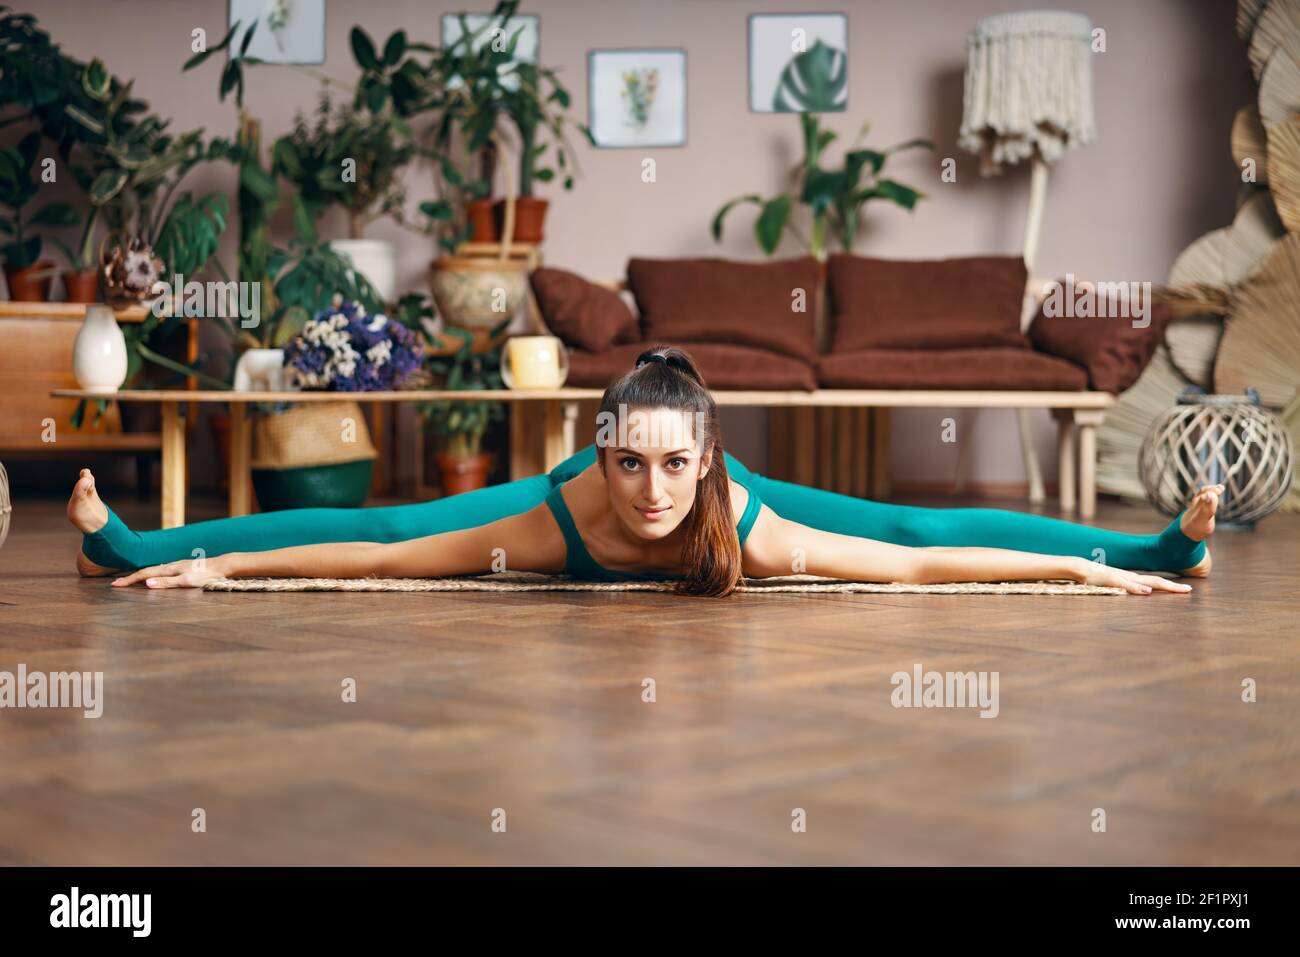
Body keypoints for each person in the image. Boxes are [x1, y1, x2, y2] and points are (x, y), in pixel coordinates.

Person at [69, 346, 1218, 597]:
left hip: (752, 494)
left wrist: (1092, 575)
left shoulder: (742, 517)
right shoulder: (555, 515)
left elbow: (915, 571)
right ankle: (123, 543)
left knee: (912, 528)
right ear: (602, 458)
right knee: (401, 519)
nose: (653, 493)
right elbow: (375, 552)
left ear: (706, 461)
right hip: (555, 509)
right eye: (630, 466)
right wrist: (197, 566)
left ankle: (1155, 545)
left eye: (672, 466)